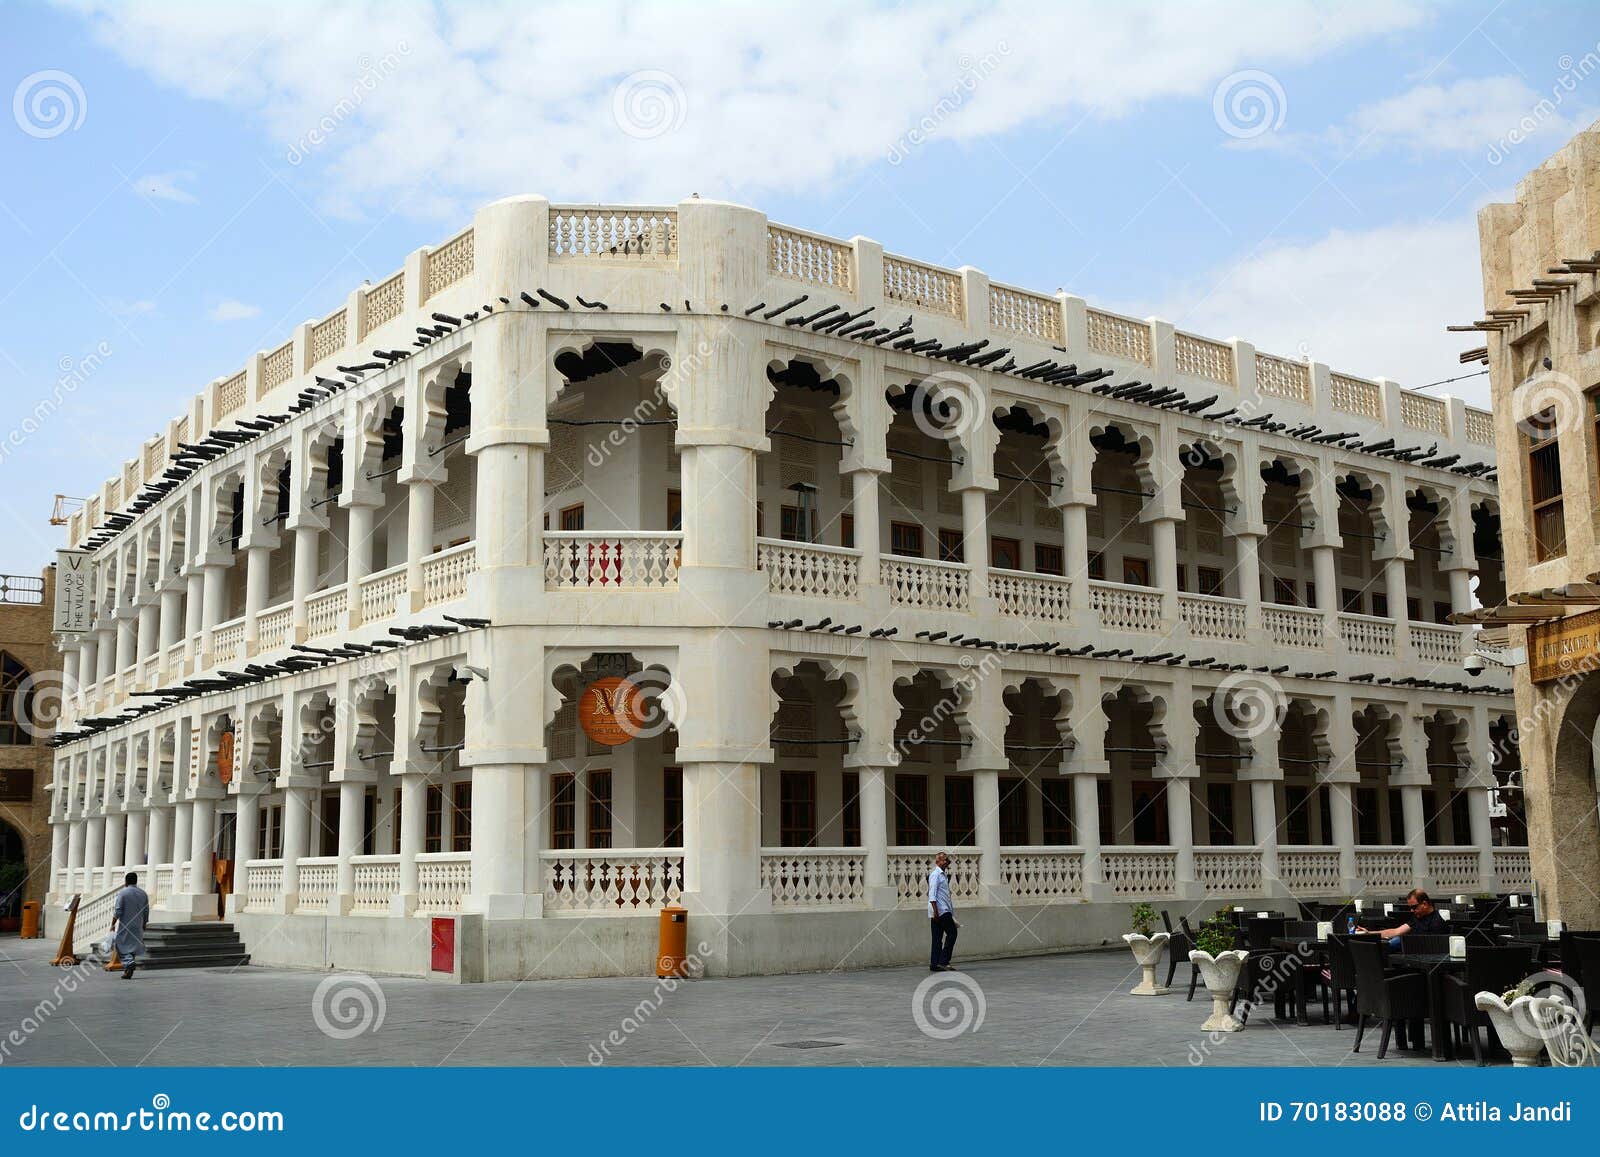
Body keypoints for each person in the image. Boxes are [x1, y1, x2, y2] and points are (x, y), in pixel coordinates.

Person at [1358, 888, 1447, 948]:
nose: (1412, 910)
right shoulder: (1417, 917)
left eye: (1414, 907)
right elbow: (1396, 931)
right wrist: (1369, 933)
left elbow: (1432, 946)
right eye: (1410, 908)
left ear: (1425, 904)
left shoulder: (1437, 921)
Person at [110, 871, 150, 979]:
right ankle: (128, 971)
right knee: (132, 947)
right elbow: (146, 910)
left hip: (126, 925)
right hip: (137, 925)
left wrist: (113, 923)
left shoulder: (123, 893)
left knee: (120, 945)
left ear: (126, 881)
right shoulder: (143, 893)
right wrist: (145, 923)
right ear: (136, 881)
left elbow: (118, 910)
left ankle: (129, 963)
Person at [927, 851, 958, 971]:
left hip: (941, 910)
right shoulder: (936, 875)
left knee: (937, 937)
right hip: (940, 911)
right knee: (952, 933)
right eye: (944, 860)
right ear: (937, 861)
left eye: (947, 861)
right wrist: (936, 912)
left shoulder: (943, 875)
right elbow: (932, 895)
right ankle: (944, 961)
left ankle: (935, 964)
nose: (946, 863)